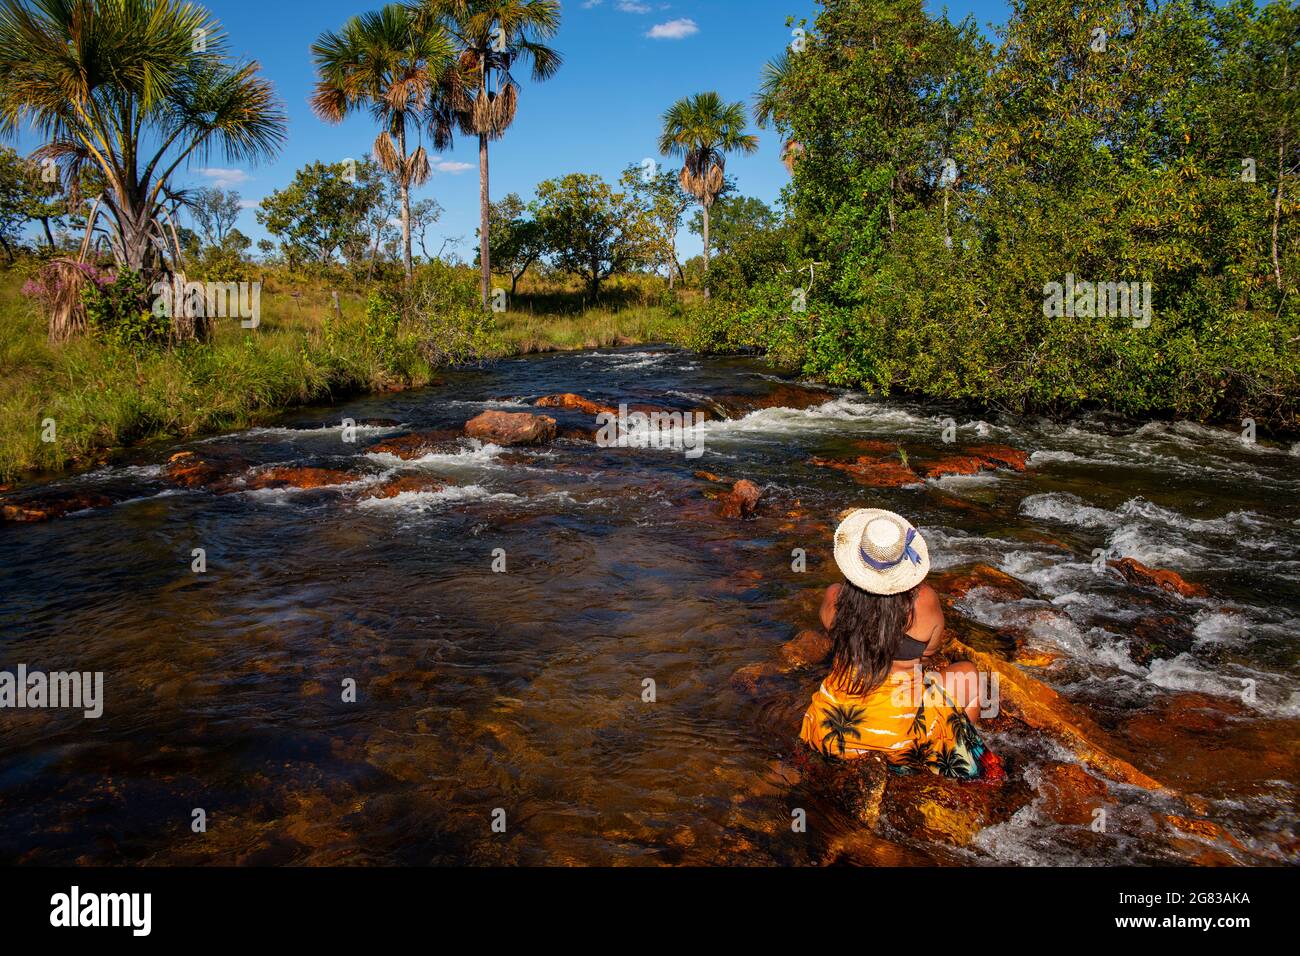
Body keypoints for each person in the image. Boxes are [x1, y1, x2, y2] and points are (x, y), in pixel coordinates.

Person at [799, 508, 1003, 780]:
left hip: (831, 727)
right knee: (968, 674)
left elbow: (833, 628)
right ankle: (950, 753)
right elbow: (931, 650)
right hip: (898, 731)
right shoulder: (924, 600)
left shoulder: (835, 596)